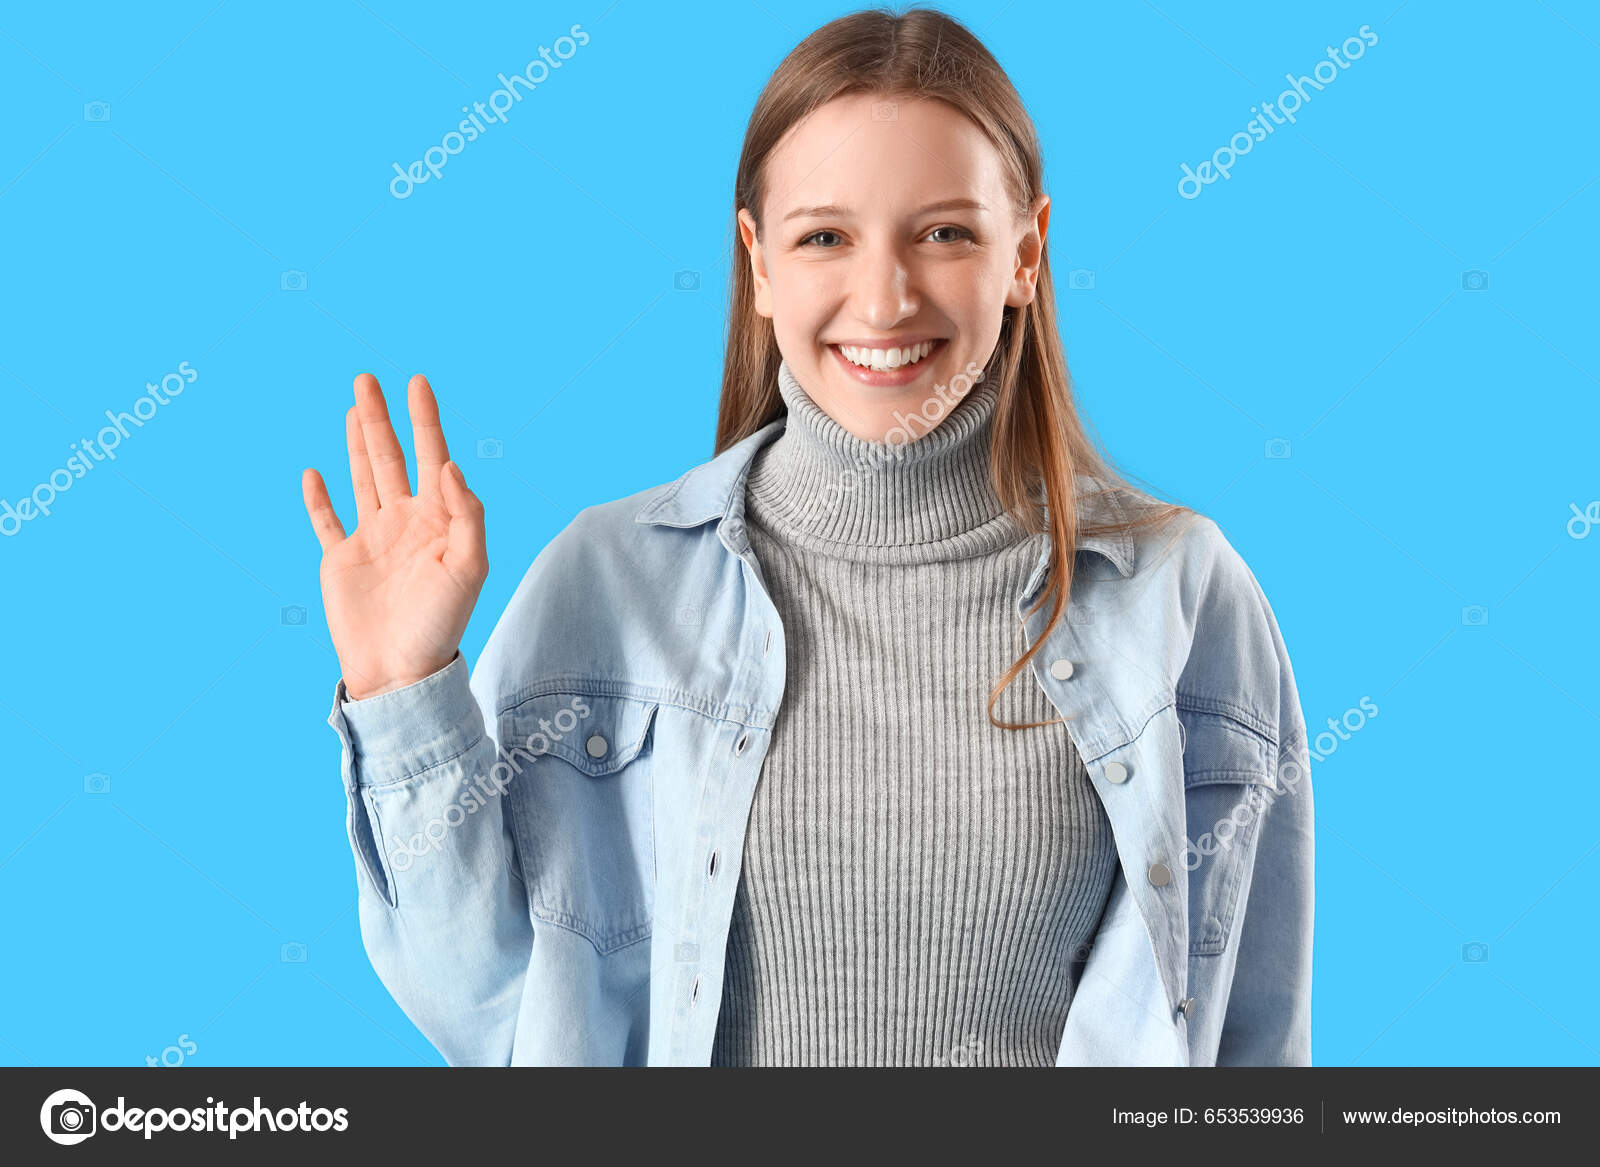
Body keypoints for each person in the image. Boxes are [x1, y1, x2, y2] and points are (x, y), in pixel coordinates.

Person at [301, 6, 1313, 1067]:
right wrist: (401, 687)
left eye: (945, 232)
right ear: (758, 262)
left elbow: (1252, 1040)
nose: (883, 297)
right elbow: (488, 1009)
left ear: (1026, 253)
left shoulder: (1179, 597)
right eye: (824, 236)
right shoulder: (606, 586)